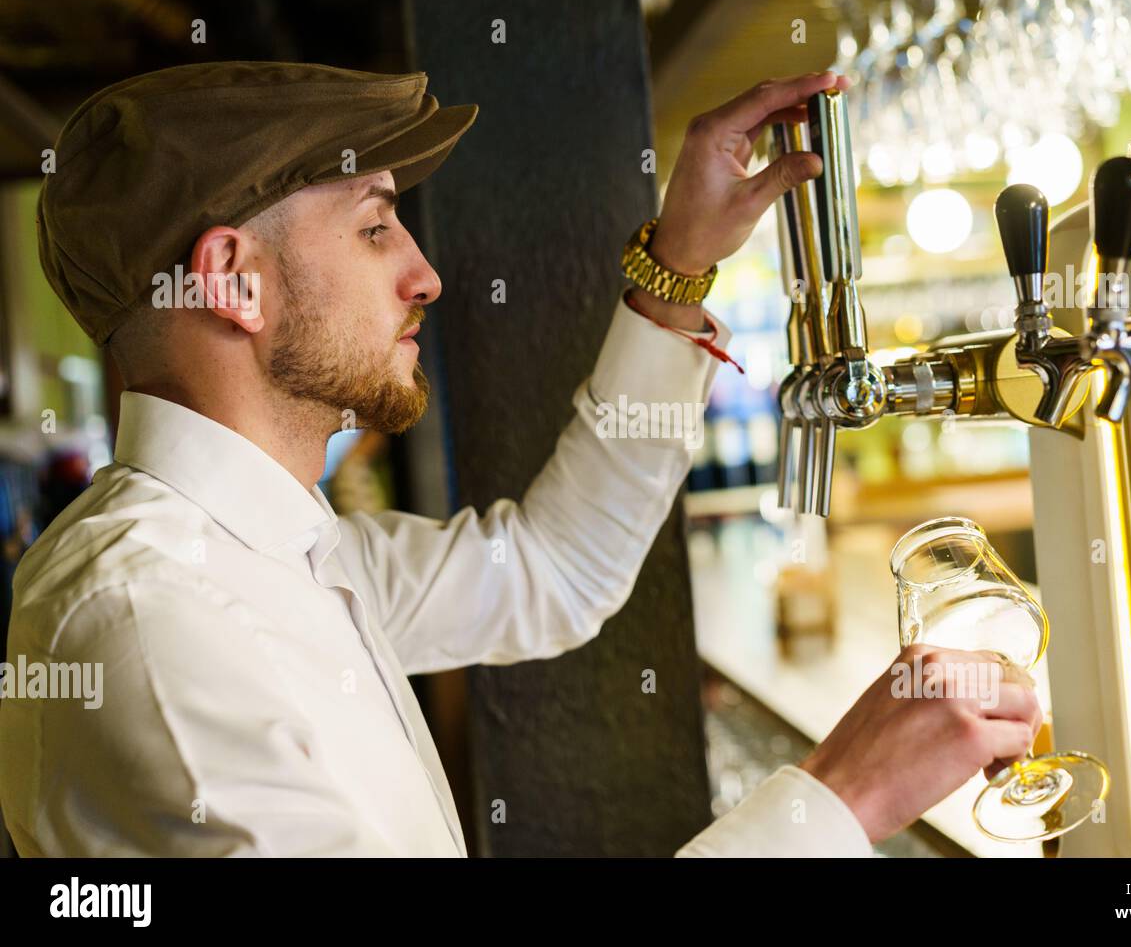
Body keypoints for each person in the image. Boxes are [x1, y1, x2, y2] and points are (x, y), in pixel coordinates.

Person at [0, 62, 1040, 857]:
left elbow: (553, 568)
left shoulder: (275, 551)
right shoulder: (154, 622)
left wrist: (675, 266)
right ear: (232, 280)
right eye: (374, 228)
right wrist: (840, 796)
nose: (426, 275)